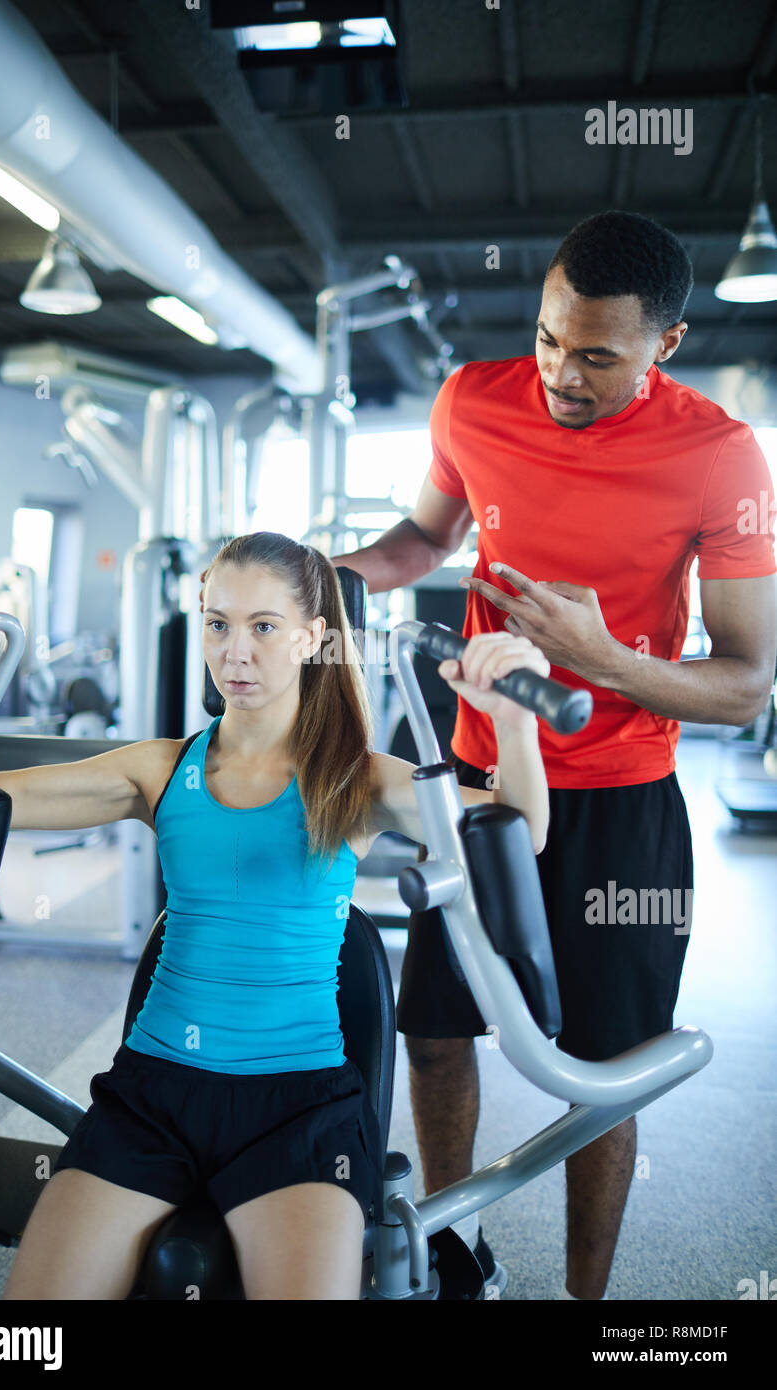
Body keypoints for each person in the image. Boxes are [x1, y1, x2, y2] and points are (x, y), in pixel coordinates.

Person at [0, 530, 550, 1301]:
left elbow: (519, 829)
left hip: (300, 1106)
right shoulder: (161, 769)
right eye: (217, 623)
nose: (234, 651)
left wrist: (513, 725)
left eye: (263, 627)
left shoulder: (354, 779)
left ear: (315, 638)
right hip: (152, 1097)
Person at [330, 209, 777, 1300]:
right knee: (433, 1034)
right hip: (479, 790)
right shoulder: (471, 401)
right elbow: (423, 541)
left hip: (620, 801)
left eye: (594, 356)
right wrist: (309, 571)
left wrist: (596, 654)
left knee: (604, 1083)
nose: (558, 375)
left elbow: (745, 681)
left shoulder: (718, 455)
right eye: (545, 338)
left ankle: (585, 1303)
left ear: (661, 344)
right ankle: (455, 1258)